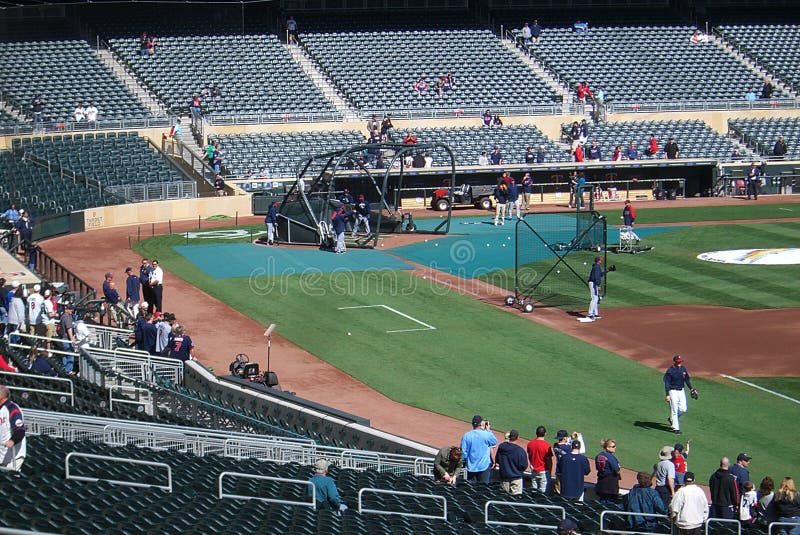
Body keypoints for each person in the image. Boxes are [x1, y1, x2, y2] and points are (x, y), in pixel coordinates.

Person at [459, 415, 497, 484]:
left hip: (471, 467)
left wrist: (465, 462)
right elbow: (494, 441)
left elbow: (463, 452)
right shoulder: (486, 434)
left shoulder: (466, 435)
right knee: (483, 490)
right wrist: (488, 430)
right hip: (484, 467)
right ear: (481, 423)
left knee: (471, 489)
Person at [663, 354, 696, 434]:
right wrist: (667, 394)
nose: (679, 363)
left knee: (683, 409)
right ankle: (676, 428)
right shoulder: (670, 371)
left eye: (680, 362)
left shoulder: (683, 369)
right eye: (678, 362)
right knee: (674, 409)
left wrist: (692, 389)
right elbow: (667, 383)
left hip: (681, 391)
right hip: (672, 391)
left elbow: (687, 380)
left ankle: (672, 419)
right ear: (674, 362)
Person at [0, 385, 26, 472]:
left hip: (14, 456)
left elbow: (20, 431)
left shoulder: (12, 408)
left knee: (9, 482)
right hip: (2, 454)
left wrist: (12, 441)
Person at [495, 429, 528, 495]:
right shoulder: (520, 451)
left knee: (504, 500)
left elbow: (497, 460)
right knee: (515, 501)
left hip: (504, 478)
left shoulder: (502, 447)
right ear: (518, 437)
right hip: (516, 479)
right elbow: (524, 466)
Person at [526, 426, 554, 493]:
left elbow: (529, 456)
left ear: (536, 433)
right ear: (545, 434)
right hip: (543, 471)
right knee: (543, 492)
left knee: (534, 490)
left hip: (533, 470)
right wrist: (550, 471)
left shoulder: (530, 444)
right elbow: (549, 461)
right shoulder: (547, 446)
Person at [586, 256, 608, 321]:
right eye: (600, 260)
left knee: (596, 298)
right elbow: (596, 277)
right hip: (593, 283)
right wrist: (598, 285)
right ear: (598, 261)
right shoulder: (596, 267)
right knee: (594, 298)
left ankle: (595, 314)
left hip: (594, 283)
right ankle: (590, 314)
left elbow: (600, 274)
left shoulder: (597, 266)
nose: (601, 260)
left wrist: (607, 270)